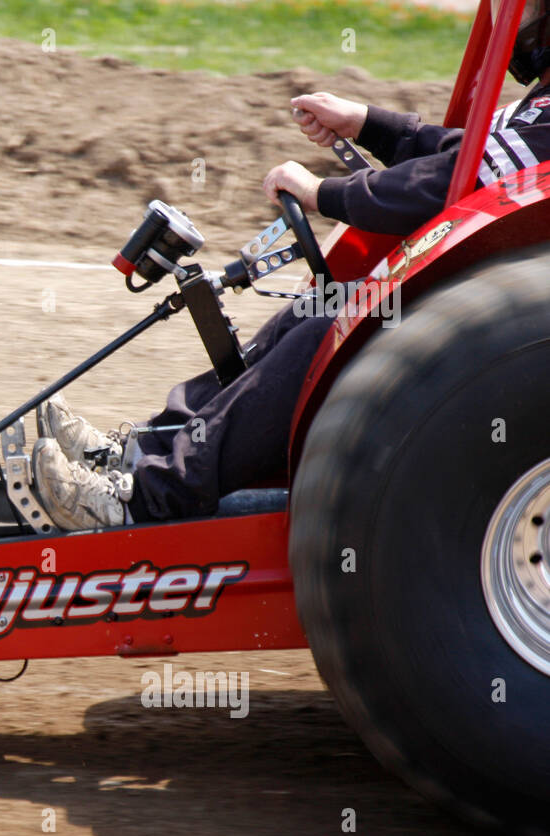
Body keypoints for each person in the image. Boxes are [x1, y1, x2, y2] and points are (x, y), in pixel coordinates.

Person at [32, 0, 550, 530]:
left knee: (336, 325)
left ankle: (143, 500)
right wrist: (368, 124)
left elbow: (448, 184)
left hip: (505, 331)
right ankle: (143, 452)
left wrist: (321, 192)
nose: (525, 20)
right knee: (322, 307)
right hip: (491, 313)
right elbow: (464, 157)